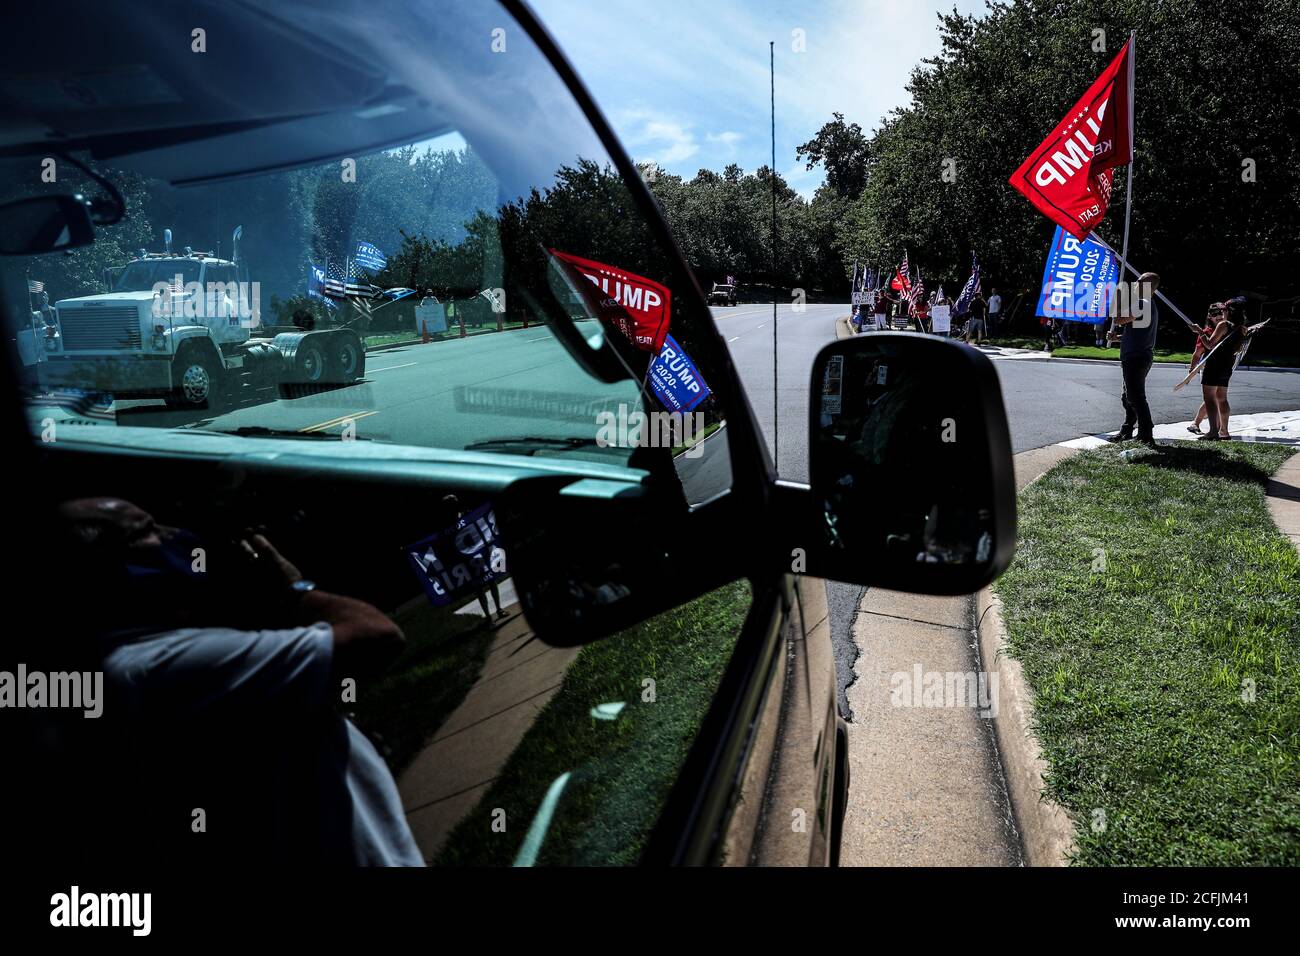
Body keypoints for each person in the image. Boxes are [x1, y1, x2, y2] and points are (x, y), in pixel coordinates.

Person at [54, 497, 425, 867]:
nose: (174, 536)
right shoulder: (160, 664)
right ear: (103, 566)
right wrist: (289, 586)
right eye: (148, 530)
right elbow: (376, 636)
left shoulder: (145, 656)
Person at [1109, 271, 1161, 446]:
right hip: (1137, 355)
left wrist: (1118, 298)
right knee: (1128, 396)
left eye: (1139, 281)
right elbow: (1137, 334)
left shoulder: (1142, 303)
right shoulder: (1148, 304)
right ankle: (1127, 429)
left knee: (1135, 396)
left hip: (1136, 357)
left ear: (1148, 286)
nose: (1135, 284)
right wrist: (1117, 339)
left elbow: (1117, 319)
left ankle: (1146, 433)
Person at [1196, 297, 1247, 440]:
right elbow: (1237, 349)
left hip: (1214, 365)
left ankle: (1213, 431)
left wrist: (1199, 331)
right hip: (1227, 366)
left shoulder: (1224, 325)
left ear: (1228, 311)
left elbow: (1210, 344)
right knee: (1222, 398)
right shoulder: (1241, 328)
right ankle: (1224, 431)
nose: (1221, 312)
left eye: (1223, 309)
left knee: (1210, 398)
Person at [1187, 302, 1221, 435]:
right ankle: (1205, 425)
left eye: (1220, 313)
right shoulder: (1207, 332)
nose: (1218, 316)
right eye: (1214, 314)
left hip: (1221, 368)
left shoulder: (1226, 329)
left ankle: (1197, 423)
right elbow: (1197, 353)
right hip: (1208, 367)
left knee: (1215, 397)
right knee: (1214, 397)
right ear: (1210, 316)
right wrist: (1191, 371)